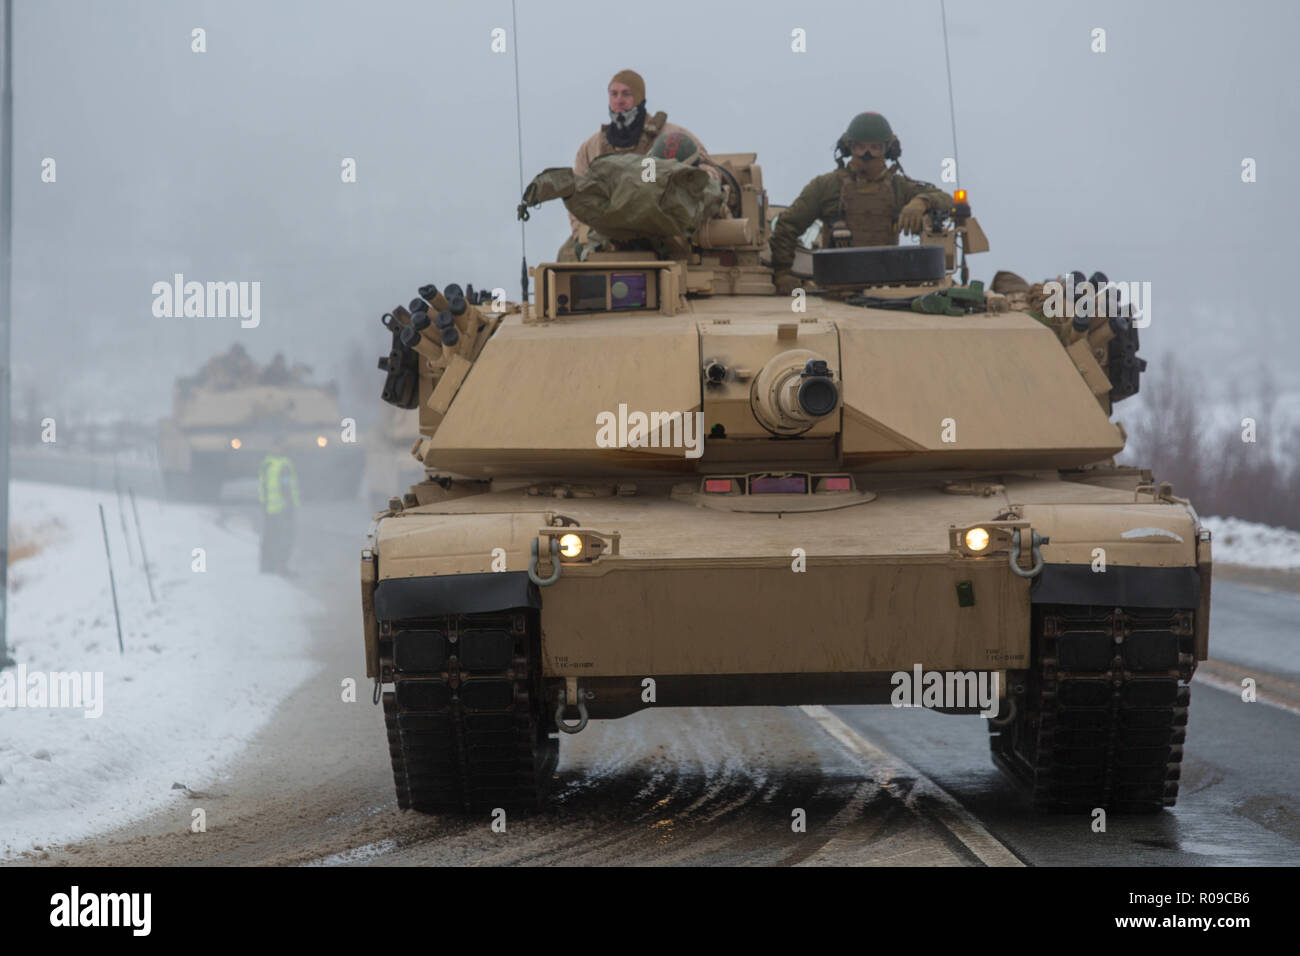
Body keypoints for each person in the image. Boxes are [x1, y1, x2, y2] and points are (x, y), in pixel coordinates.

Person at [769, 112, 954, 293]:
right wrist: (783, 272)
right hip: (834, 289)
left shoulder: (899, 188)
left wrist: (921, 202)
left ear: (888, 150)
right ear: (848, 148)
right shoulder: (826, 187)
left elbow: (946, 200)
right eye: (860, 147)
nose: (867, 155)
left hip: (886, 289)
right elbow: (788, 225)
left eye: (875, 148)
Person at [560, 69, 711, 259]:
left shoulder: (671, 137)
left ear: (639, 97)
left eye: (626, 94)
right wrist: (580, 238)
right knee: (565, 258)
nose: (619, 100)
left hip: (663, 231)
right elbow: (576, 195)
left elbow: (707, 170)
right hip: (609, 235)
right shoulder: (592, 147)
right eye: (614, 94)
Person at [258, 435, 300, 574]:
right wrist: (290, 504)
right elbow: (284, 488)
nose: (279, 449)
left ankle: (270, 566)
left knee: (273, 537)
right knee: (282, 537)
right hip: (280, 508)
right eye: (277, 446)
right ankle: (278, 566)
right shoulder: (280, 464)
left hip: (275, 507)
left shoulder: (270, 463)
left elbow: (264, 487)